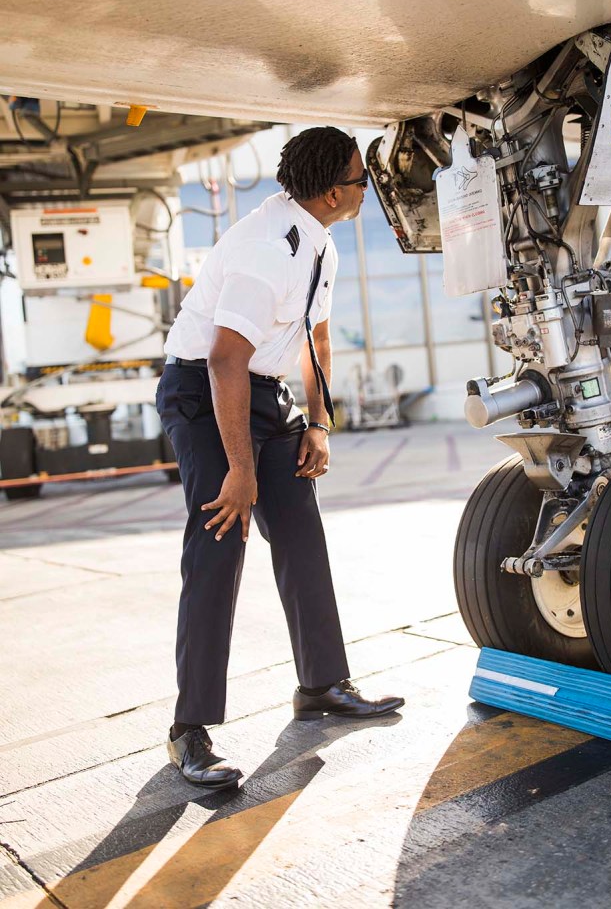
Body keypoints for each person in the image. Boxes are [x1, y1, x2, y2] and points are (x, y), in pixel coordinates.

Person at [156, 126, 404, 789]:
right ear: (332, 192)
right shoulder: (265, 250)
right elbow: (222, 360)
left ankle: (323, 685)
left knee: (300, 533)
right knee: (220, 540)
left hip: (263, 394)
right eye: (360, 179)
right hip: (204, 394)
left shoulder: (321, 239)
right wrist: (238, 471)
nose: (365, 189)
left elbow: (314, 336)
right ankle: (190, 730)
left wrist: (317, 422)